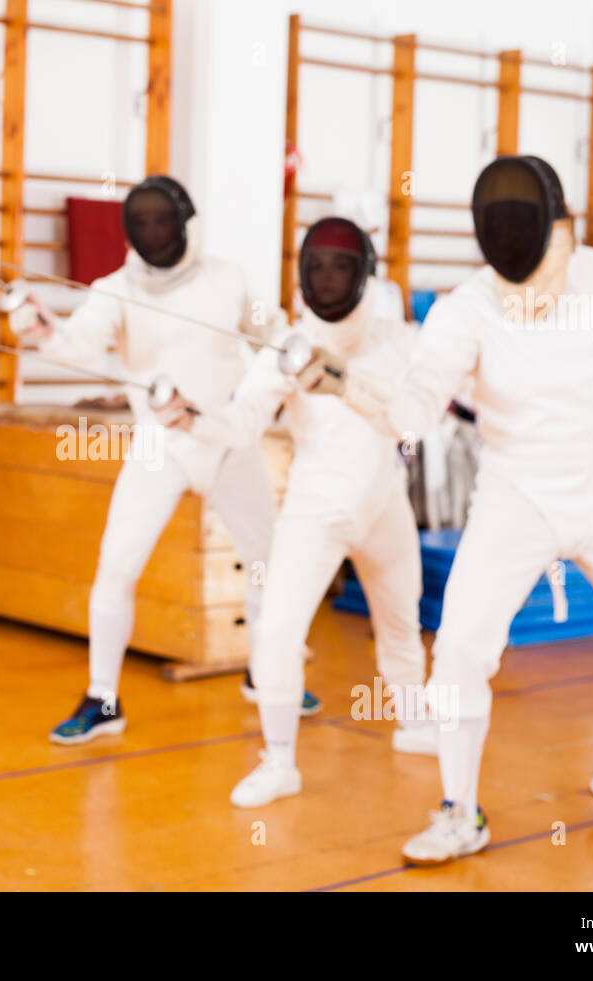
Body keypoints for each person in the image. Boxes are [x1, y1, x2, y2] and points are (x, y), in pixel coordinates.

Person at [344, 155, 593, 864]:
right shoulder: (464, 309)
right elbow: (416, 406)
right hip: (516, 496)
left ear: (557, 226)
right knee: (457, 649)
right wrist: (354, 389)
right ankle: (459, 810)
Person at [11, 176, 320, 744]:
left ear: (186, 225)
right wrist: (40, 328)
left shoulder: (228, 278)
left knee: (266, 564)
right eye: (143, 224)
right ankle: (104, 699)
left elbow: (272, 333)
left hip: (228, 438)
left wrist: (299, 349)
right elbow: (79, 344)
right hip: (159, 444)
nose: (153, 233)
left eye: (162, 222)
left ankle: (266, 672)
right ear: (131, 232)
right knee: (117, 566)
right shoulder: (114, 288)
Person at [157, 217, 436, 807]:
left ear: (364, 272)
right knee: (279, 629)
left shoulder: (398, 340)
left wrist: (349, 384)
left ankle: (414, 723)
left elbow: (415, 421)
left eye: (341, 264)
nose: (328, 276)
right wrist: (193, 417)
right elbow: (241, 422)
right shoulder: (289, 350)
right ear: (302, 273)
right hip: (316, 509)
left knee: (401, 621)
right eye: (316, 265)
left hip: (385, 503)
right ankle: (279, 761)